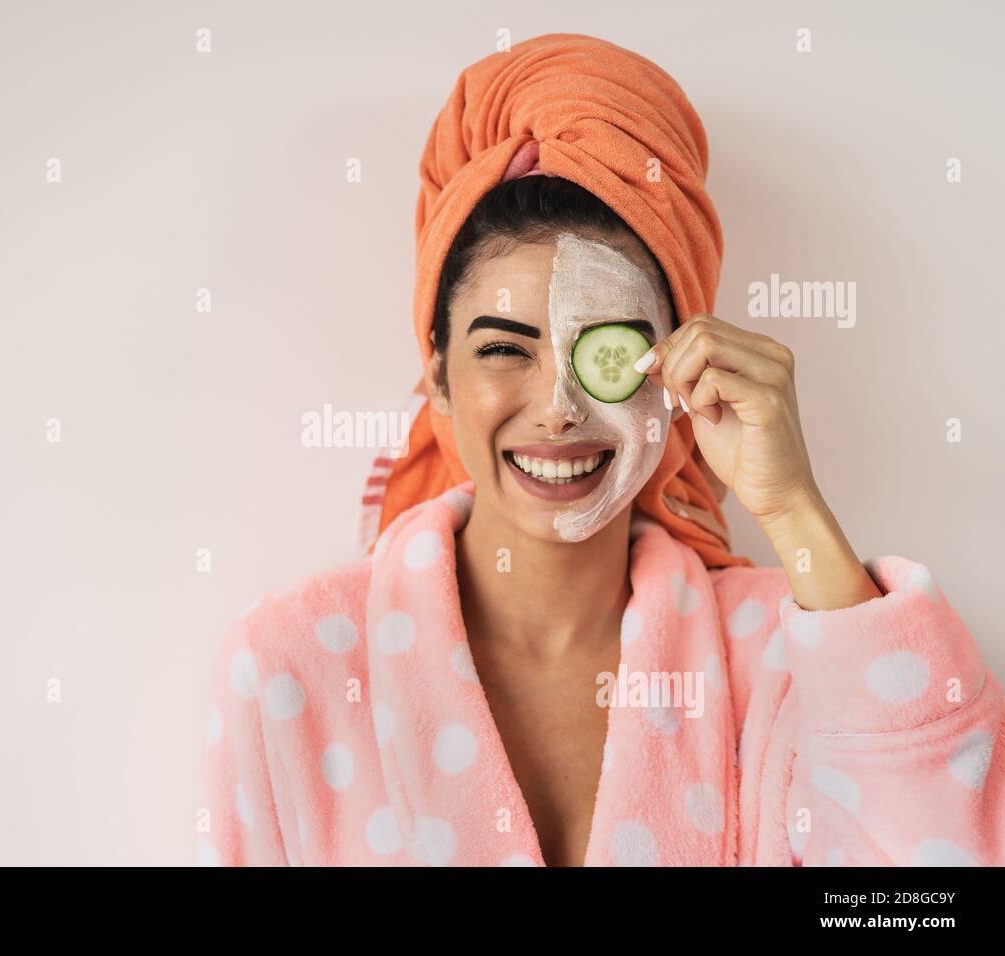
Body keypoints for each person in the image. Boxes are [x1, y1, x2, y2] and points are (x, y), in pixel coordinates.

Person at [195, 33, 1003, 866]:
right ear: (437, 378)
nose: (558, 408)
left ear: (679, 375)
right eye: (505, 350)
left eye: (608, 353)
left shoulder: (782, 655)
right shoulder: (292, 667)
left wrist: (793, 508)